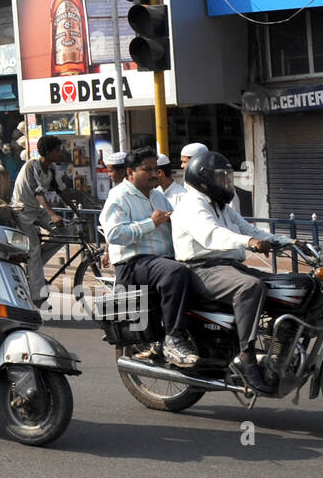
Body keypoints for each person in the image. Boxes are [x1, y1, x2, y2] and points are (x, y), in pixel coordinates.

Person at [171, 150, 281, 393]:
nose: (226, 183)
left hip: (227, 267)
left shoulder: (221, 205)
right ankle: (246, 357)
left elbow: (247, 228)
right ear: (204, 178)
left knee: (284, 285)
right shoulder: (192, 204)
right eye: (221, 178)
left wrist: (285, 241)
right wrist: (249, 242)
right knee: (250, 287)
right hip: (202, 269)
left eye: (227, 178)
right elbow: (212, 235)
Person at [99, 148, 199, 367]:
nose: (154, 174)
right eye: (147, 169)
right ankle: (173, 337)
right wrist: (150, 223)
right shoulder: (119, 196)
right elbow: (114, 234)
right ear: (130, 172)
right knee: (175, 272)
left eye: (156, 169)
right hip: (133, 263)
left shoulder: (158, 196)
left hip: (162, 261)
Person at [8, 134, 66, 304]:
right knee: (33, 248)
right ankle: (37, 296)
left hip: (38, 210)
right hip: (22, 210)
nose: (59, 153)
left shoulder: (52, 169)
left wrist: (77, 211)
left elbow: (62, 191)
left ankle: (34, 267)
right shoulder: (31, 166)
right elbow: (38, 192)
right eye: (56, 151)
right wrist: (52, 214)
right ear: (47, 152)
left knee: (65, 232)